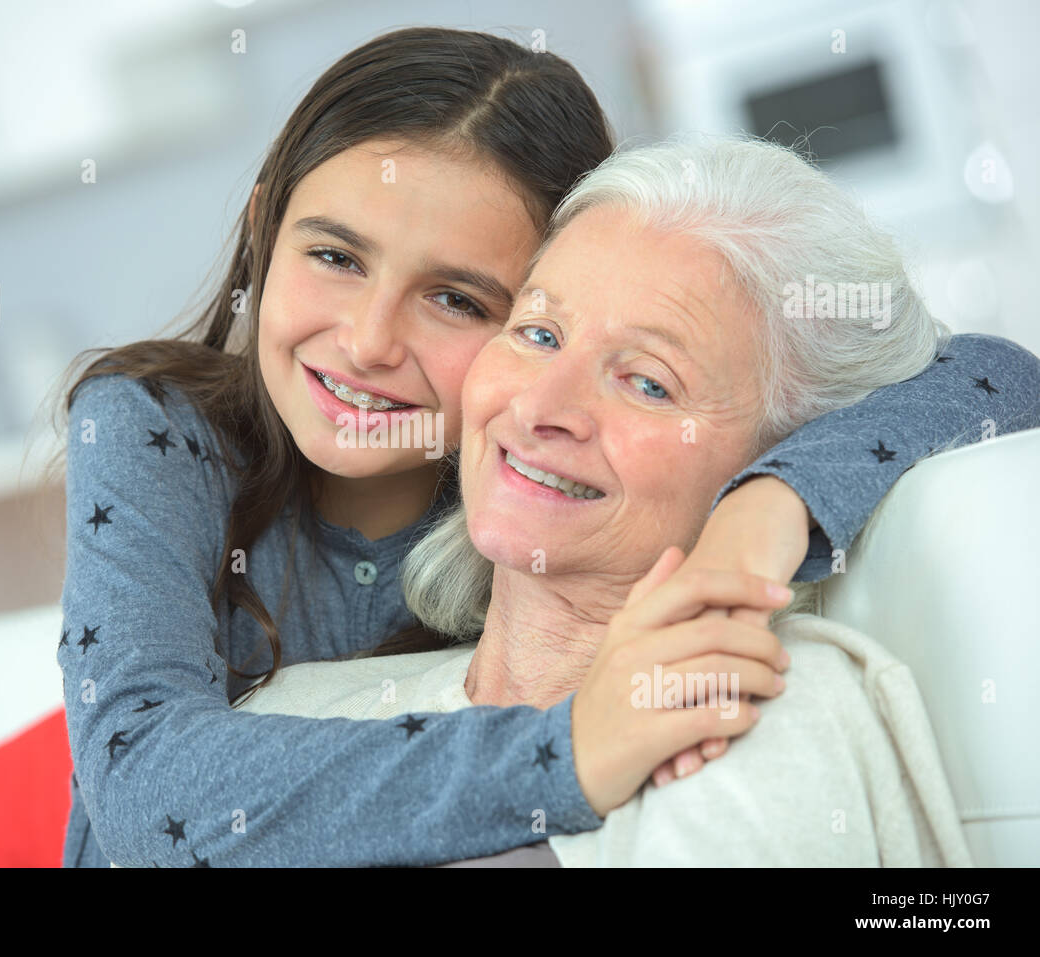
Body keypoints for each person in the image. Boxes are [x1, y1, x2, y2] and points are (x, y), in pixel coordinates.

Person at [53, 28, 1040, 867]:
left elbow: (991, 375)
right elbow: (141, 783)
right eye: (335, 256)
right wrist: (565, 751)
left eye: (456, 300)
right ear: (267, 219)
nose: (367, 342)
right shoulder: (156, 431)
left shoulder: (525, 489)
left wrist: (765, 509)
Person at [229, 135, 982, 867]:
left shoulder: (752, 709)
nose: (539, 407)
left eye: (649, 382)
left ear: (788, 453)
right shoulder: (286, 712)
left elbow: (996, 373)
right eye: (538, 332)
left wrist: (770, 507)